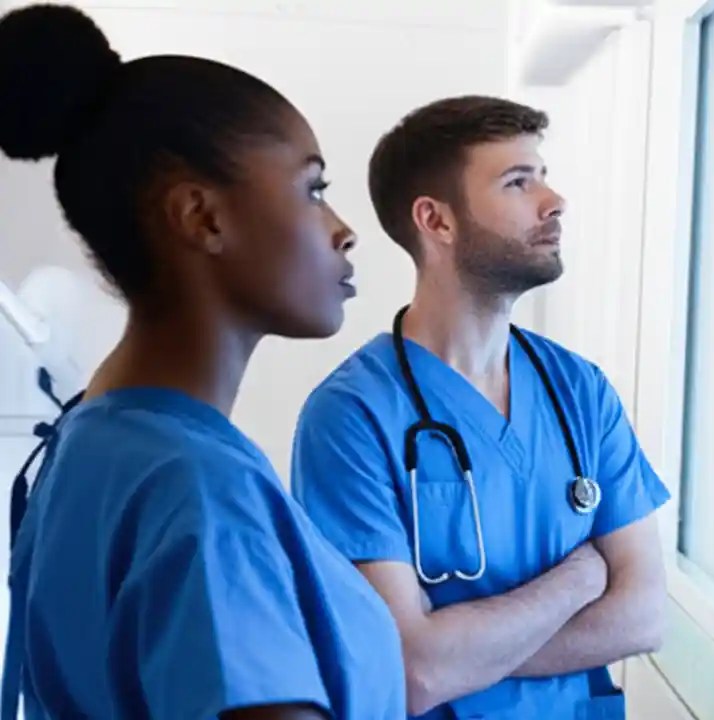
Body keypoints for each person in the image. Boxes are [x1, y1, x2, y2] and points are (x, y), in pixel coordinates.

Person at [0, 5, 405, 719]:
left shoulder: (92, 442)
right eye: (313, 188)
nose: (343, 231)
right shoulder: (201, 490)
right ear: (201, 216)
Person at [290, 95, 670, 719]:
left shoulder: (580, 390)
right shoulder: (350, 418)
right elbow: (410, 673)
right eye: (519, 182)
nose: (553, 202)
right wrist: (578, 579)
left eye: (542, 176)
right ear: (436, 221)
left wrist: (457, 656)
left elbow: (644, 616)